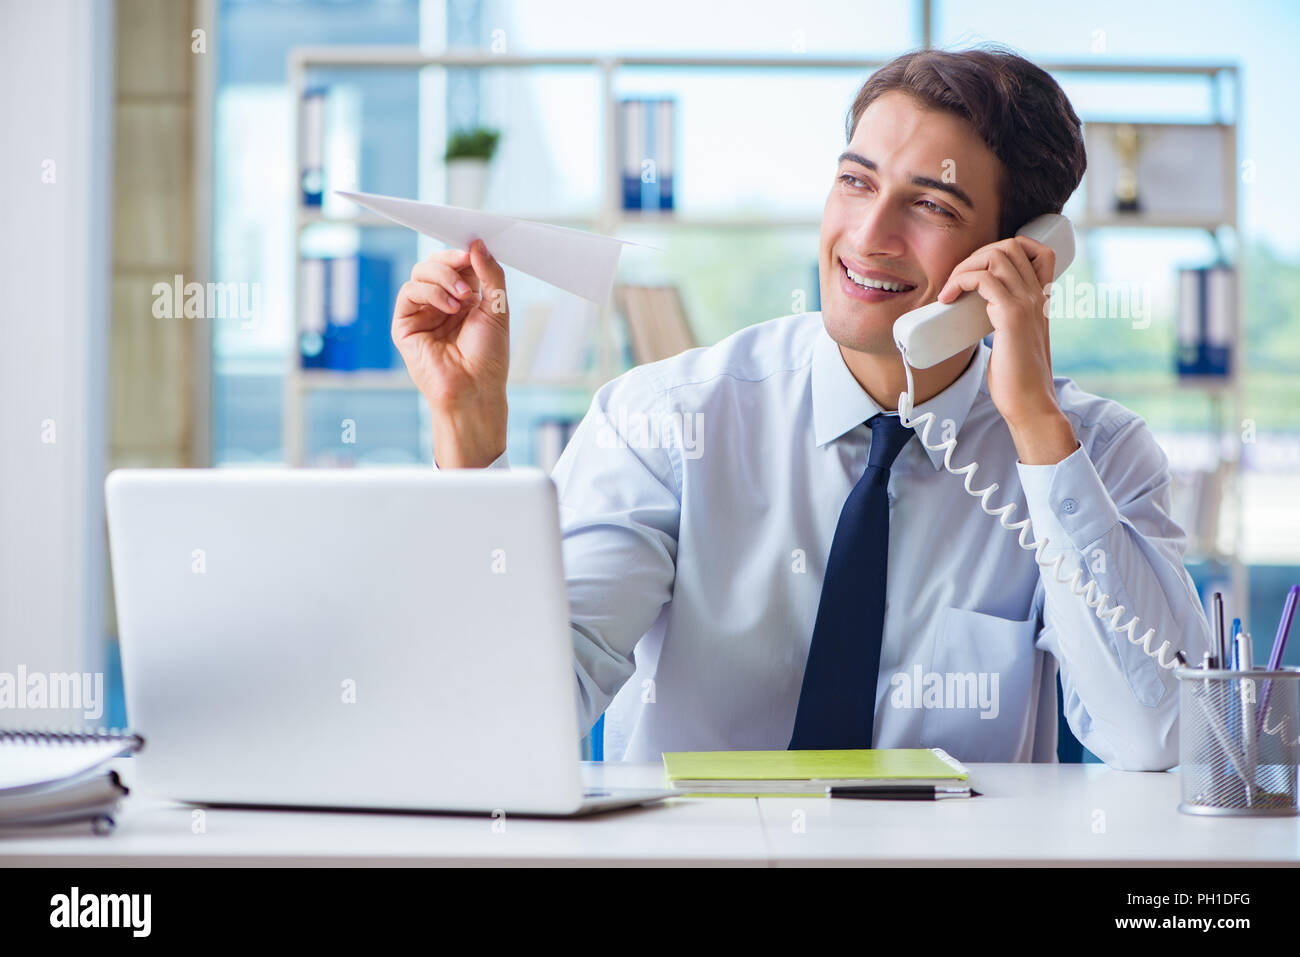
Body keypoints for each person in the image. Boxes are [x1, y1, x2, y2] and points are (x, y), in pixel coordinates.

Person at [391, 44, 1212, 770]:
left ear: (1027, 255)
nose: (869, 235)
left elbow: (1160, 734)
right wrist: (470, 444)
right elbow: (515, 713)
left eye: (932, 204)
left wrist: (1035, 431)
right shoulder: (668, 421)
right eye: (856, 181)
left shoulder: (1093, 455)